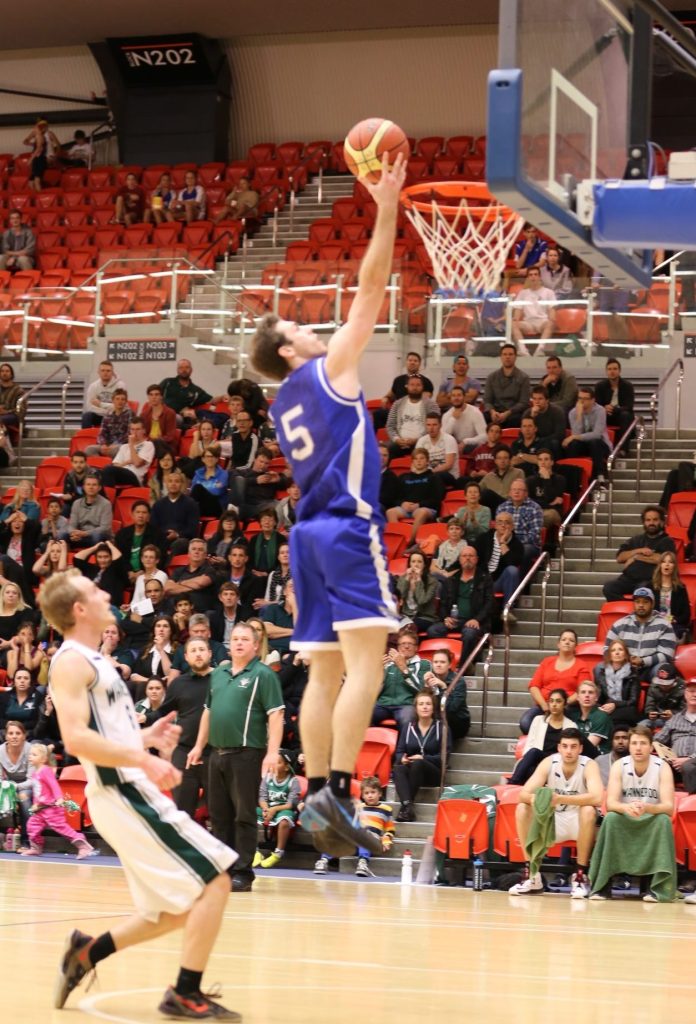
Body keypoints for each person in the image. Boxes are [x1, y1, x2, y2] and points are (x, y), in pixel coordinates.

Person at [249, 153, 405, 860]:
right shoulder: (328, 369)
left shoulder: (282, 404)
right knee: (369, 662)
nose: (316, 328)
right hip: (345, 528)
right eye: (302, 328)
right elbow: (372, 286)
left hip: (303, 538)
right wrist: (386, 204)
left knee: (322, 669)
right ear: (288, 348)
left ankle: (316, 787)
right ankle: (340, 787)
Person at [39, 570, 240, 1019]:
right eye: (95, 591)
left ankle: (86, 954)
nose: (106, 593)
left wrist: (146, 736)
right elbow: (74, 740)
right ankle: (185, 993)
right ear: (79, 609)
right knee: (217, 879)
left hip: (129, 788)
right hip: (121, 791)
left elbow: (105, 731)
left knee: (174, 909)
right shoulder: (71, 661)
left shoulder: (95, 660)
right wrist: (143, 760)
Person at [187, 621, 284, 892]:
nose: (239, 642)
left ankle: (243, 872)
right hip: (216, 754)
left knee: (243, 815)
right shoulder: (218, 674)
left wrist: (273, 752)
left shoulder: (264, 675)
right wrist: (198, 746)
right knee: (219, 816)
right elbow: (208, 711)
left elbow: (276, 714)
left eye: (245, 639)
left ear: (255, 645)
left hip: (246, 755)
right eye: (235, 638)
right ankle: (222, 870)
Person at [508, 728, 603, 898]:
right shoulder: (549, 762)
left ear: (580, 749)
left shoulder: (589, 765)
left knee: (589, 810)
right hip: (553, 821)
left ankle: (580, 876)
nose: (569, 751)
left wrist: (560, 799)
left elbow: (597, 798)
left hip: (579, 822)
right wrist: (537, 800)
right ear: (559, 747)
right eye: (565, 746)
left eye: (573, 746)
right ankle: (532, 874)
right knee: (522, 808)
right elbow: (523, 794)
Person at [589, 725, 676, 902]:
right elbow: (611, 803)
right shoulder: (620, 766)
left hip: (651, 817)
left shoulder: (662, 767)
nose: (638, 747)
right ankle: (602, 887)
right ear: (629, 746)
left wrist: (647, 808)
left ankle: (655, 888)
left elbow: (668, 807)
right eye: (634, 743)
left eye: (643, 743)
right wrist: (626, 808)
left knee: (663, 821)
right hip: (626, 816)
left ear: (651, 747)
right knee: (611, 818)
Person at [145, 637, 214, 818]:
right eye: (193, 651)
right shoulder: (179, 684)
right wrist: (145, 716)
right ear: (186, 657)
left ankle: (221, 847)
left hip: (215, 754)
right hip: (184, 754)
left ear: (209, 653)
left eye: (201, 649)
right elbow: (162, 712)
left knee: (220, 814)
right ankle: (184, 847)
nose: (198, 654)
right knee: (182, 814)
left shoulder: (221, 679)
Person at [19, 742, 95, 858]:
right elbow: (38, 791)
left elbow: (54, 785)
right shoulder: (35, 773)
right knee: (31, 825)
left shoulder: (46, 770)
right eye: (30, 754)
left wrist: (59, 798)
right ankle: (36, 847)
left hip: (51, 808)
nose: (30, 756)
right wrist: (34, 804)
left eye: (34, 755)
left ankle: (83, 845)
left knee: (62, 828)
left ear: (43, 759)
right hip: (40, 809)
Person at [426, 547, 494, 666]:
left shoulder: (485, 578)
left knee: (469, 634)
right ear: (460, 559)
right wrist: (446, 618)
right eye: (464, 556)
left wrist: (477, 619)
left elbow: (489, 603)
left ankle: (464, 666)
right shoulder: (451, 579)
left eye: (471, 556)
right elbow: (443, 604)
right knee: (433, 630)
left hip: (474, 621)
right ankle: (445, 663)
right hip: (454, 621)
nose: (467, 558)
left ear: (476, 559)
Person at [518, 629, 591, 734]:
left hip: (568, 706)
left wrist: (563, 703)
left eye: (571, 640)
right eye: (564, 639)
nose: (567, 642)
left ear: (576, 645)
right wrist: (545, 705)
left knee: (570, 729)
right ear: (558, 644)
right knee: (525, 723)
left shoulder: (581, 665)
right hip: (544, 705)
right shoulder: (547, 661)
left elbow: (583, 690)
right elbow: (534, 686)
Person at [393, 690, 450, 822]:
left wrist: (423, 758)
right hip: (412, 770)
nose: (424, 707)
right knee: (398, 768)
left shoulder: (442, 728)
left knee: (418, 763)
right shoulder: (408, 727)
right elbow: (399, 751)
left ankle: (406, 807)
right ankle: (407, 807)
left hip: (433, 773)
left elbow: (444, 758)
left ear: (433, 708)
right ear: (416, 708)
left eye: (428, 704)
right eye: (421, 704)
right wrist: (402, 758)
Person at [604, 587, 677, 683]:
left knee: (663, 670)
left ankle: (654, 698)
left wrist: (643, 661)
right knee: (599, 668)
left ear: (652, 604)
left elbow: (666, 654)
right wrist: (624, 660)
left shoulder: (664, 625)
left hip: (650, 669)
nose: (641, 605)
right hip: (624, 666)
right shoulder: (620, 624)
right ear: (633, 604)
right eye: (637, 602)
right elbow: (607, 649)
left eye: (645, 602)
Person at [602, 506, 676, 602]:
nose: (651, 523)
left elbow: (662, 559)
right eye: (648, 520)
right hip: (628, 579)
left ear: (662, 522)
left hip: (649, 580)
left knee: (642, 590)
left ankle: (636, 608)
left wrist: (636, 557)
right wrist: (637, 551)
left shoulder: (667, 541)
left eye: (655, 520)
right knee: (609, 588)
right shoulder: (636, 539)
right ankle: (630, 606)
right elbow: (620, 558)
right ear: (644, 523)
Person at [509, 689, 576, 785]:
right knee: (530, 769)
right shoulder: (538, 720)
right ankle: (516, 788)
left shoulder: (571, 725)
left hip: (557, 762)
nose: (554, 704)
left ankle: (512, 783)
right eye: (551, 701)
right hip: (538, 760)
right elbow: (530, 744)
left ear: (564, 704)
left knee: (534, 752)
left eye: (558, 701)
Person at [372, 629, 431, 728]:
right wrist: (379, 672)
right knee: (362, 715)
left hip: (406, 705)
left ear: (416, 647)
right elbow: (373, 693)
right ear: (398, 647)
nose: (406, 647)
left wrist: (403, 667)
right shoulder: (388, 664)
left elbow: (422, 690)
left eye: (410, 644)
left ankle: (402, 744)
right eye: (403, 644)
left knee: (407, 719)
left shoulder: (423, 664)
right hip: (382, 704)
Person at [254, 750, 301, 869]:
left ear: (286, 767)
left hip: (283, 809)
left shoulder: (293, 781)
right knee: (249, 815)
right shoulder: (268, 778)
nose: (274, 764)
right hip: (268, 808)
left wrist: (273, 809)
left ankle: (278, 853)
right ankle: (254, 851)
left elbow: (290, 804)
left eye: (279, 762)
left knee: (284, 821)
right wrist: (265, 809)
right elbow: (262, 797)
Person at [647, 678, 696, 793]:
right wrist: (650, 747)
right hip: (674, 762)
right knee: (654, 764)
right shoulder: (675, 719)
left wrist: (688, 759)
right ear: (685, 694)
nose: (694, 694)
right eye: (691, 691)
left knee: (689, 766)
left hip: (694, 763)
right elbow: (657, 740)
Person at [385, 448, 442, 544]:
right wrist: (402, 503)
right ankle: (399, 541)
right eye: (416, 459)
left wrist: (418, 505)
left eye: (422, 458)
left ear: (427, 461)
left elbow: (436, 499)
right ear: (412, 461)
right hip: (406, 508)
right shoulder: (404, 477)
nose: (419, 461)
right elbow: (395, 498)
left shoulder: (434, 477)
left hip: (424, 508)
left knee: (421, 512)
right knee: (390, 512)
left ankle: (410, 542)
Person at [474, 510, 525, 608]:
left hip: (499, 583)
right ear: (495, 525)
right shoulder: (484, 538)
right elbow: (473, 557)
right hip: (481, 581)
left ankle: (507, 609)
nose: (503, 525)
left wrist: (502, 543)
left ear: (512, 526)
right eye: (500, 522)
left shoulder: (517, 544)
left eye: (507, 522)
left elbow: (513, 563)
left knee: (512, 570)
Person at [374, 351, 434, 430]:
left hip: (415, 414)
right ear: (406, 363)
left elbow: (425, 400)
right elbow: (390, 394)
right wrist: (386, 398)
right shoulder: (398, 380)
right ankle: (382, 438)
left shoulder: (426, 382)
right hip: (397, 412)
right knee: (378, 414)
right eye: (410, 360)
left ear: (419, 364)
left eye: (415, 361)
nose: (412, 362)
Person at [562, 386, 611, 480]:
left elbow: (597, 434)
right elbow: (576, 433)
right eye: (580, 398)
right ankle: (573, 477)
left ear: (593, 400)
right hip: (583, 446)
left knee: (594, 442)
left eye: (585, 399)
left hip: (600, 445)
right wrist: (579, 415)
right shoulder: (573, 413)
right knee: (573, 444)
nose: (582, 401)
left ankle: (599, 476)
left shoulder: (600, 411)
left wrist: (574, 437)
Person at [496, 479, 543, 575]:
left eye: (520, 490)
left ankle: (521, 584)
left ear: (526, 493)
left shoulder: (535, 508)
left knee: (525, 550)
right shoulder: (502, 508)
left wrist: (514, 542)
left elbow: (534, 534)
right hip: (505, 541)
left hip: (527, 545)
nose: (516, 492)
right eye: (514, 489)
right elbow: (498, 530)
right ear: (509, 492)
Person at [385, 375, 440, 457]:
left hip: (423, 442)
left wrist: (417, 440)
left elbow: (435, 427)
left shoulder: (431, 405)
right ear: (407, 386)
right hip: (400, 442)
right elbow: (390, 425)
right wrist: (396, 439)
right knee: (384, 451)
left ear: (422, 387)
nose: (415, 388)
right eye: (412, 385)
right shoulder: (397, 404)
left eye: (418, 385)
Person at [150, 470, 200, 555]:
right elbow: (153, 527)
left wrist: (177, 535)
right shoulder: (158, 505)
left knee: (180, 543)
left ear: (182, 484)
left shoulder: (191, 504)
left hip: (182, 539)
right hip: (162, 538)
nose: (173, 484)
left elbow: (192, 529)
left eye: (177, 481)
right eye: (170, 481)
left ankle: (166, 566)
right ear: (166, 484)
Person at [594, 639, 640, 727]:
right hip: (607, 709)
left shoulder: (633, 673)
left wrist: (615, 704)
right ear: (610, 655)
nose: (617, 652)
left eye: (620, 649)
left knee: (630, 711)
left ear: (626, 654)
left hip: (625, 709)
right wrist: (602, 707)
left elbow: (633, 701)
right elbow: (598, 699)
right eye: (613, 650)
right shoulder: (602, 673)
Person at [59, 472, 112, 548]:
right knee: (62, 534)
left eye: (94, 485)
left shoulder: (106, 504)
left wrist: (85, 533)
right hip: (80, 536)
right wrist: (74, 533)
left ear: (99, 488)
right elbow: (72, 525)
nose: (91, 487)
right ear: (83, 487)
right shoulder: (76, 503)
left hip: (96, 537)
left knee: (97, 536)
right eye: (88, 484)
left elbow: (104, 528)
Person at [482, 344, 530, 427]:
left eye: (510, 354)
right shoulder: (491, 377)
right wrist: (493, 412)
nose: (507, 357)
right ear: (501, 357)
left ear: (515, 357)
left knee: (518, 419)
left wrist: (507, 413)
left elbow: (524, 402)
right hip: (495, 412)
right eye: (505, 354)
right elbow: (487, 400)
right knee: (482, 418)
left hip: (514, 413)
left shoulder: (524, 378)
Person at [511, 267, 556, 355]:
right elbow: (518, 310)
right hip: (528, 323)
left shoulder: (549, 292)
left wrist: (552, 319)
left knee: (550, 323)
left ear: (540, 277)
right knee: (512, 324)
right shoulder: (523, 293)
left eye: (535, 274)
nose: (533, 277)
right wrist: (515, 319)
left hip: (542, 322)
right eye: (530, 275)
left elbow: (552, 309)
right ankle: (523, 350)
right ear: (528, 278)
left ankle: (540, 349)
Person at [100, 418, 155, 490]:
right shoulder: (124, 447)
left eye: (138, 429)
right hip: (120, 474)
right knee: (97, 473)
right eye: (132, 429)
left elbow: (137, 463)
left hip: (134, 477)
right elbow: (116, 465)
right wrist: (128, 461)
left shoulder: (148, 445)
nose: (135, 432)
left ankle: (108, 498)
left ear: (144, 430)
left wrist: (131, 445)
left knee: (108, 471)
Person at [160, 359, 216, 428]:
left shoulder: (196, 390)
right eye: (181, 368)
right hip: (162, 413)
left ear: (191, 370)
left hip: (178, 418)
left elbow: (211, 399)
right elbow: (155, 394)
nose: (184, 370)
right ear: (177, 370)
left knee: (176, 417)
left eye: (187, 367)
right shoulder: (167, 382)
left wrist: (223, 397)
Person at [595, 358, 635, 454]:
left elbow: (629, 406)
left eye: (614, 369)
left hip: (621, 414)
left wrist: (614, 409)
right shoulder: (600, 386)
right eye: (609, 369)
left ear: (619, 371)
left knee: (625, 415)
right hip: (605, 415)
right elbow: (597, 404)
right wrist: (604, 408)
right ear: (606, 371)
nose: (612, 371)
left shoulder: (627, 385)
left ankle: (623, 449)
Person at [649, 550, 690, 640]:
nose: (667, 564)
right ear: (660, 565)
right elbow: (648, 610)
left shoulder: (680, 588)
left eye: (670, 562)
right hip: (654, 624)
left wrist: (673, 620)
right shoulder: (651, 587)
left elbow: (686, 614)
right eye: (664, 562)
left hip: (673, 625)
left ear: (674, 566)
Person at [395, 551, 438, 632]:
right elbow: (399, 598)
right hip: (406, 616)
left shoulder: (432, 581)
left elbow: (422, 600)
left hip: (424, 617)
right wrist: (407, 579)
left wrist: (418, 580)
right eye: (413, 561)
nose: (416, 564)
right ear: (409, 564)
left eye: (419, 561)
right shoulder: (403, 578)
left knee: (408, 627)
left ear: (424, 565)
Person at [567, 680, 613, 756]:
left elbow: (588, 747)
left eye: (590, 692)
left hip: (599, 759)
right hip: (579, 757)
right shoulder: (574, 715)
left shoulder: (601, 716)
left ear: (596, 698)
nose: (587, 695)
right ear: (577, 697)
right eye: (583, 692)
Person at [84, 387, 133, 458]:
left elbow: (129, 433)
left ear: (126, 401)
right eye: (117, 399)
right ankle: (101, 466)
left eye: (123, 399)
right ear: (113, 401)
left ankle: (110, 467)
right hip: (108, 445)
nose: (120, 401)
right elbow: (102, 433)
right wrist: (104, 444)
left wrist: (115, 444)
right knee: (89, 449)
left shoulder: (130, 414)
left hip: (122, 445)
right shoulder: (108, 415)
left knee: (118, 449)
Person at [525, 449, 566, 529]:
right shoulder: (530, 480)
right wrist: (548, 504)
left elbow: (550, 498)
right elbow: (528, 501)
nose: (543, 462)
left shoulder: (560, 479)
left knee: (547, 515)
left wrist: (546, 479)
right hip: (534, 510)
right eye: (540, 460)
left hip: (551, 512)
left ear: (552, 462)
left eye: (546, 459)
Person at [441, 385, 488, 454]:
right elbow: (443, 438)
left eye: (459, 395)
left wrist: (466, 441)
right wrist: (453, 419)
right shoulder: (447, 415)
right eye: (453, 396)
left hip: (473, 446)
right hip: (455, 447)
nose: (456, 398)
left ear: (464, 397)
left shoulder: (475, 412)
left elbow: (485, 436)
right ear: (450, 398)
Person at [478, 444, 524, 513]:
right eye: (499, 458)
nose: (502, 461)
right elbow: (477, 489)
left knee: (487, 494)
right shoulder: (489, 476)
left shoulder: (518, 473)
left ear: (510, 460)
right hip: (493, 508)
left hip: (509, 505)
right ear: (495, 461)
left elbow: (522, 491)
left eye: (505, 458)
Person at [81, 360, 126, 429]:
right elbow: (90, 407)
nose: (105, 373)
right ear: (98, 372)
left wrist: (100, 404)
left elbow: (120, 406)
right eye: (103, 370)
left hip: (114, 415)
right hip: (99, 415)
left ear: (112, 372)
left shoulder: (120, 386)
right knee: (86, 416)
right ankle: (86, 438)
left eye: (108, 371)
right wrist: (106, 410)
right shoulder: (93, 386)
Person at [640, 663, 685, 731]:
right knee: (642, 726)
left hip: (679, 721)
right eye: (660, 683)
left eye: (666, 684)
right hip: (659, 719)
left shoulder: (685, 689)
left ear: (675, 680)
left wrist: (673, 714)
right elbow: (650, 704)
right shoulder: (654, 686)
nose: (662, 686)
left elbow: (686, 711)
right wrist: (650, 713)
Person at [526, 384, 567, 456]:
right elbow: (523, 434)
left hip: (550, 442)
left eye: (540, 399)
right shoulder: (528, 413)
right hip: (534, 442)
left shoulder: (557, 411)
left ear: (547, 400)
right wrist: (532, 417)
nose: (537, 402)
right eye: (534, 399)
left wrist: (540, 441)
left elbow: (559, 434)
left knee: (554, 443)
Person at [140, 384, 179, 455]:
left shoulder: (170, 413)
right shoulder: (144, 414)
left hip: (164, 445)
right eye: (151, 395)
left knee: (156, 444)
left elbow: (170, 436)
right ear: (148, 397)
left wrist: (156, 440)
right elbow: (143, 434)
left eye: (156, 394)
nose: (153, 397)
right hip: (148, 445)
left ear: (161, 396)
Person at [191, 446, 229, 517]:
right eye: (207, 456)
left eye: (213, 457)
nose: (210, 459)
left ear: (217, 459)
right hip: (201, 506)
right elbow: (192, 492)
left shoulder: (223, 474)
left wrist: (202, 490)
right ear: (203, 459)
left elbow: (217, 491)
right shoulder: (198, 474)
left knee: (198, 487)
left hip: (217, 507)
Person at [23, 118, 60, 190]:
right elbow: (25, 142)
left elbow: (57, 146)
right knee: (31, 181)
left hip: (46, 156)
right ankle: (36, 196)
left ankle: (39, 196)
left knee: (36, 179)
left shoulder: (49, 134)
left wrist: (56, 156)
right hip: (40, 156)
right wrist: (32, 143)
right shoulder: (37, 135)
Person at [0, 362, 24, 431]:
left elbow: (22, 410)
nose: (4, 373)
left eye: (7, 371)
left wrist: (6, 411)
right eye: (2, 371)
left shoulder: (18, 390)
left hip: (13, 416)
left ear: (11, 374)